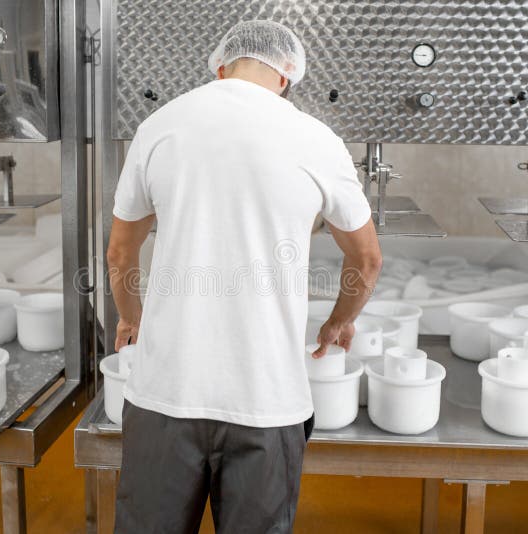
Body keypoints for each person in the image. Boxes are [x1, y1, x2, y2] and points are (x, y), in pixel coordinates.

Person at [107, 19, 382, 533]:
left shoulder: (161, 125)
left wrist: (132, 318)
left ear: (220, 66)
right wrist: (338, 322)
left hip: (165, 396)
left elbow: (121, 253)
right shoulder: (316, 138)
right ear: (287, 77)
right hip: (268, 399)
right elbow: (366, 260)